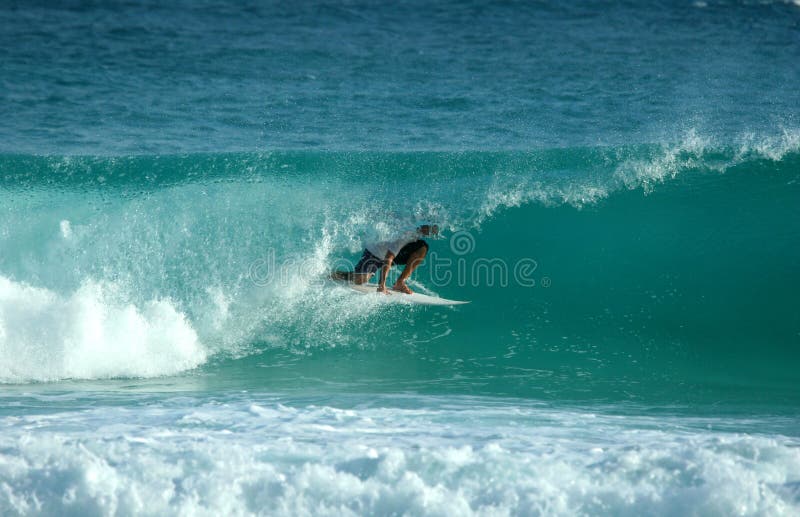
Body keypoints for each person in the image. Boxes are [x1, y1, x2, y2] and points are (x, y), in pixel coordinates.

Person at [332, 224, 439, 294]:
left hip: (392, 251)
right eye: (430, 229)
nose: (432, 232)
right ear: (424, 227)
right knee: (361, 279)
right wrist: (382, 285)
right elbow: (388, 258)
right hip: (375, 253)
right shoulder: (406, 234)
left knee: (422, 248)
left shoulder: (417, 231)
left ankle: (400, 282)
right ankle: (335, 275)